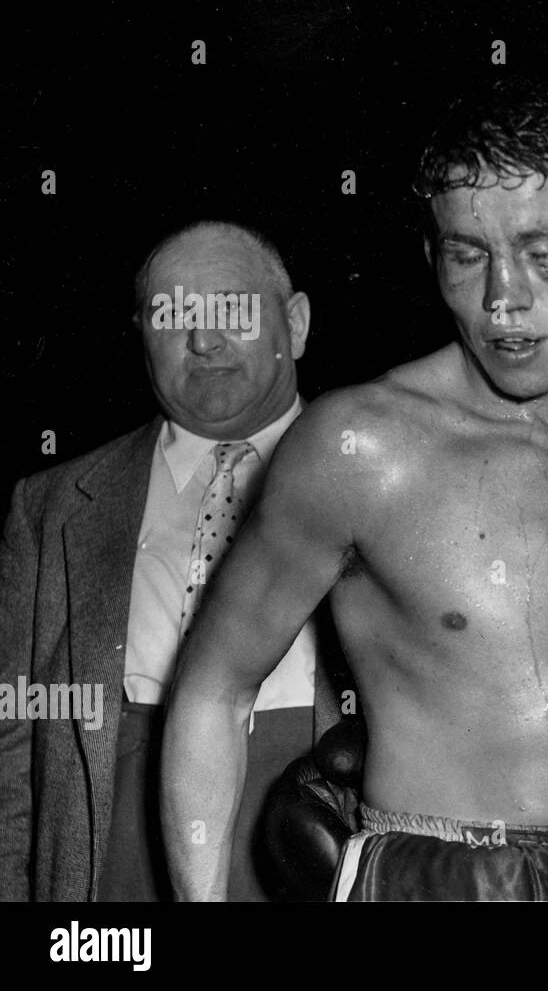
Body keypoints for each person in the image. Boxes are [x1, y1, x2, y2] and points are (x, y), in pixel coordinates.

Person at [161, 79, 548, 902]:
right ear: (433, 256)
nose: (505, 298)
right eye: (469, 255)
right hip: (441, 877)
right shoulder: (361, 446)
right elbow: (213, 685)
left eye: (543, 254)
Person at [0, 220, 346, 901]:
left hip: (319, 846)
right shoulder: (49, 508)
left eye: (230, 308)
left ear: (297, 324)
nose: (204, 337)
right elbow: (9, 753)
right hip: (112, 874)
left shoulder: (384, 481)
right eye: (174, 313)